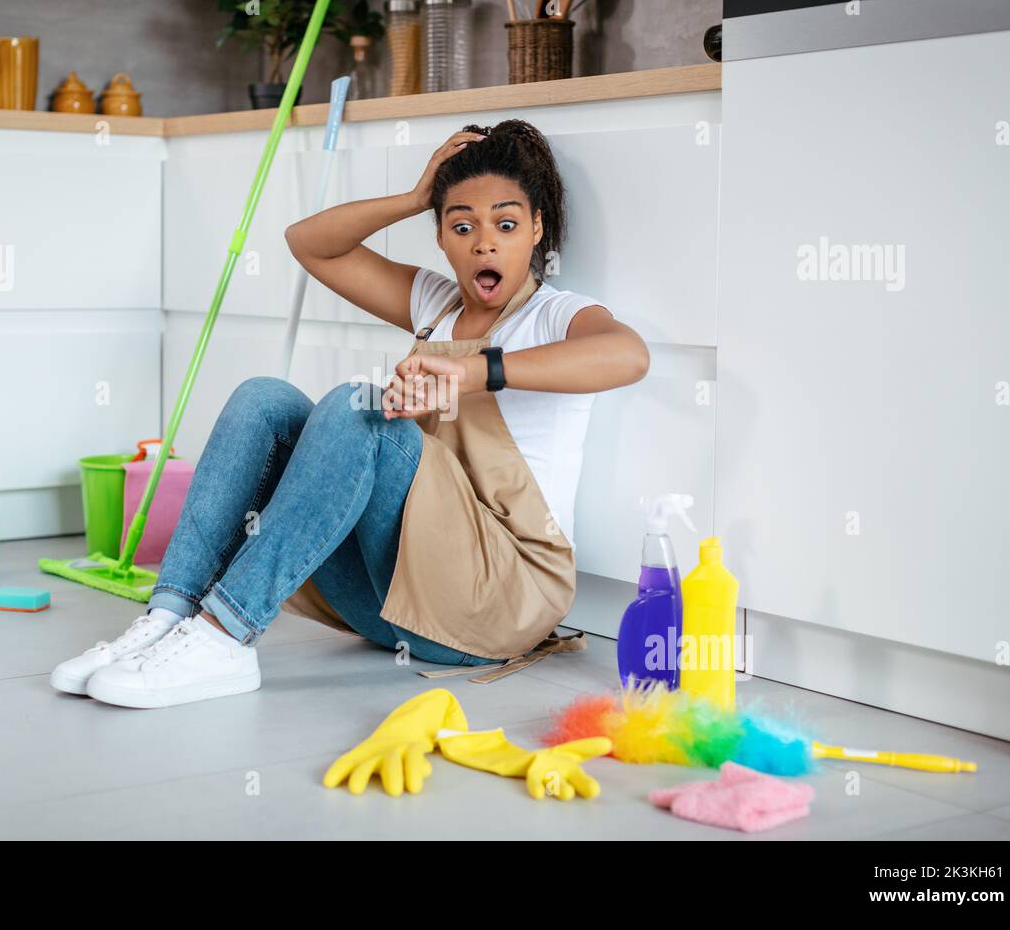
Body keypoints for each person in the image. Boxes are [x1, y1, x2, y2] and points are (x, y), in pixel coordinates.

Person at [51, 119, 650, 709]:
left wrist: (477, 370)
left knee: (355, 406)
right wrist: (415, 197)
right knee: (265, 400)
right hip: (395, 603)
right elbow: (308, 242)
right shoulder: (435, 305)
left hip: (499, 602)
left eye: (507, 224)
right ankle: (170, 617)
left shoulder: (553, 315)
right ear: (440, 235)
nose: (484, 243)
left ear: (537, 228)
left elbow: (628, 354)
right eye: (461, 224)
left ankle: (224, 636)